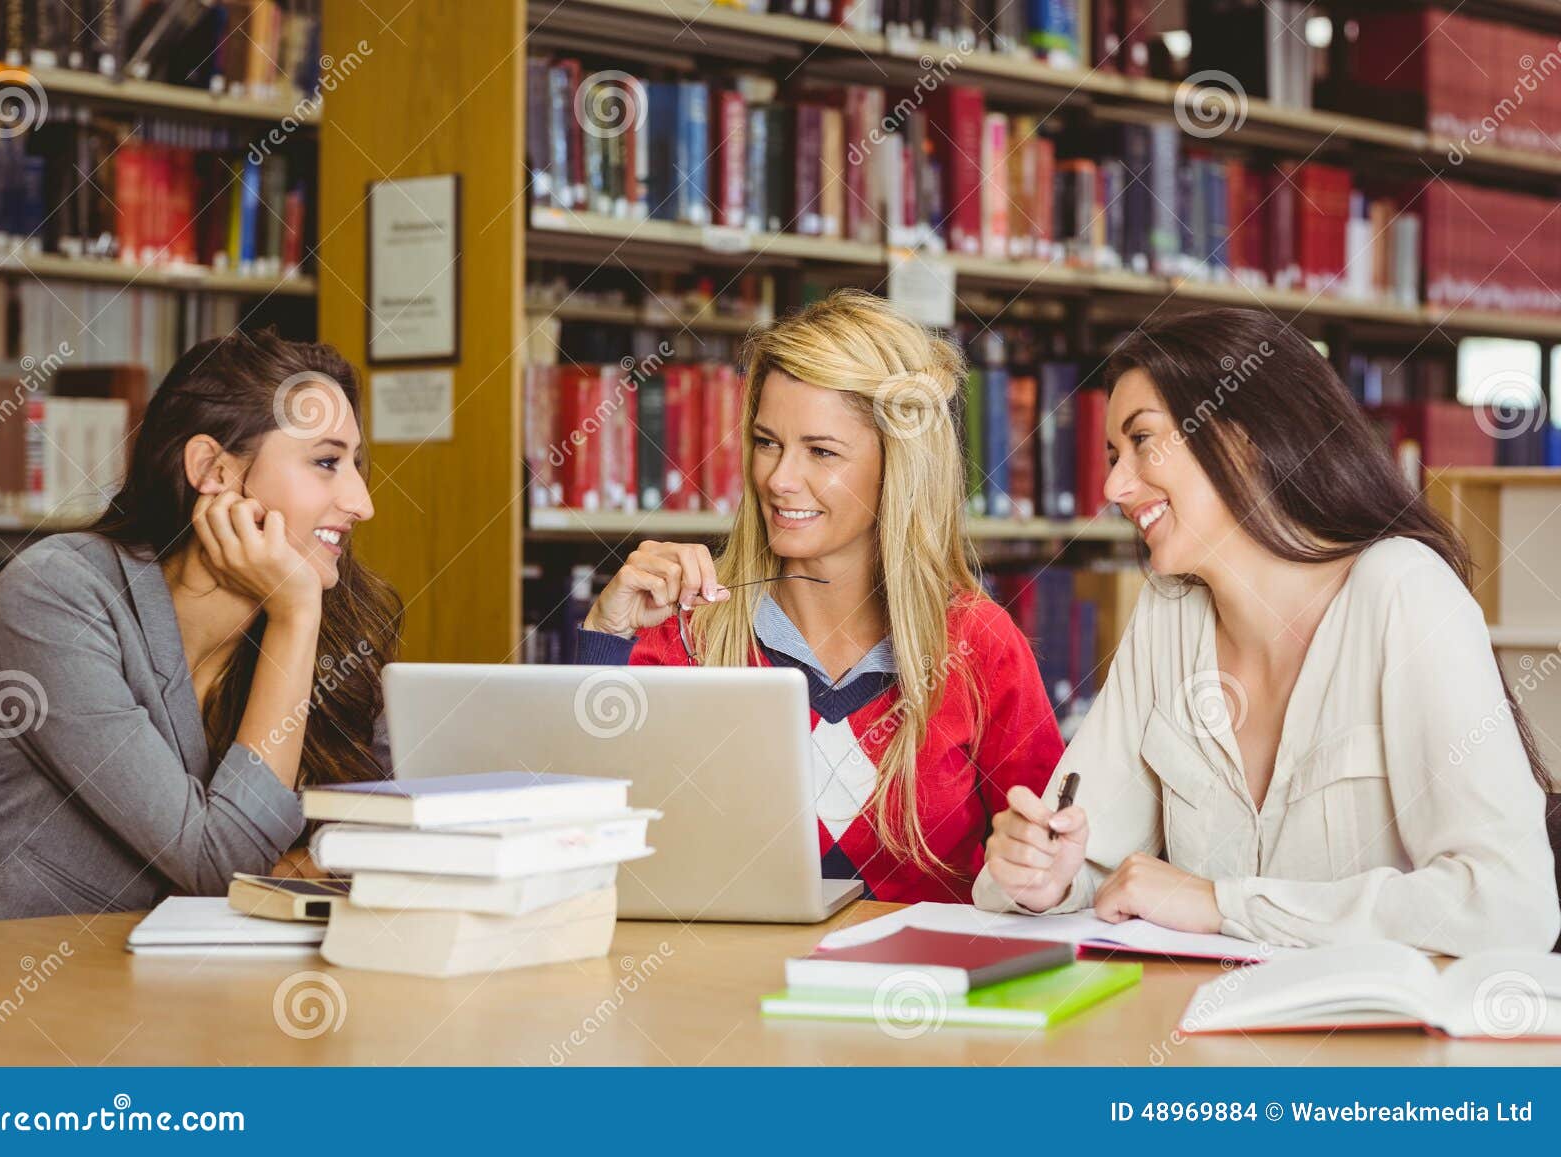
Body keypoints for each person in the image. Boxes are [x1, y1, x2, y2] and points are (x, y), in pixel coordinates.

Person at [976, 308, 1560, 956]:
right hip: (1201, 1039)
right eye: (1113, 455)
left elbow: (1512, 904)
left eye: (1143, 442)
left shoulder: (1403, 592)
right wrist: (1046, 874)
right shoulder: (1166, 616)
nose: (1115, 484)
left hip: (1381, 1047)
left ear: (1242, 438)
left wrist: (1221, 903)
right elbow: (1093, 858)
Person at [577, 289, 1064, 903]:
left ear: (899, 465)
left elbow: (1050, 866)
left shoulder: (977, 642)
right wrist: (605, 636)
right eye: (767, 442)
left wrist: (1036, 874)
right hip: (723, 990)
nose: (779, 479)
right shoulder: (689, 629)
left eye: (821, 451)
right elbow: (582, 840)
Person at [0, 330, 401, 922]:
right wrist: (293, 616)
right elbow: (221, 865)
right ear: (212, 468)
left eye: (353, 463)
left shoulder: (343, 621)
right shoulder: (56, 595)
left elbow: (396, 850)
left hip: (232, 996)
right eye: (326, 462)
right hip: (50, 995)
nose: (361, 500)